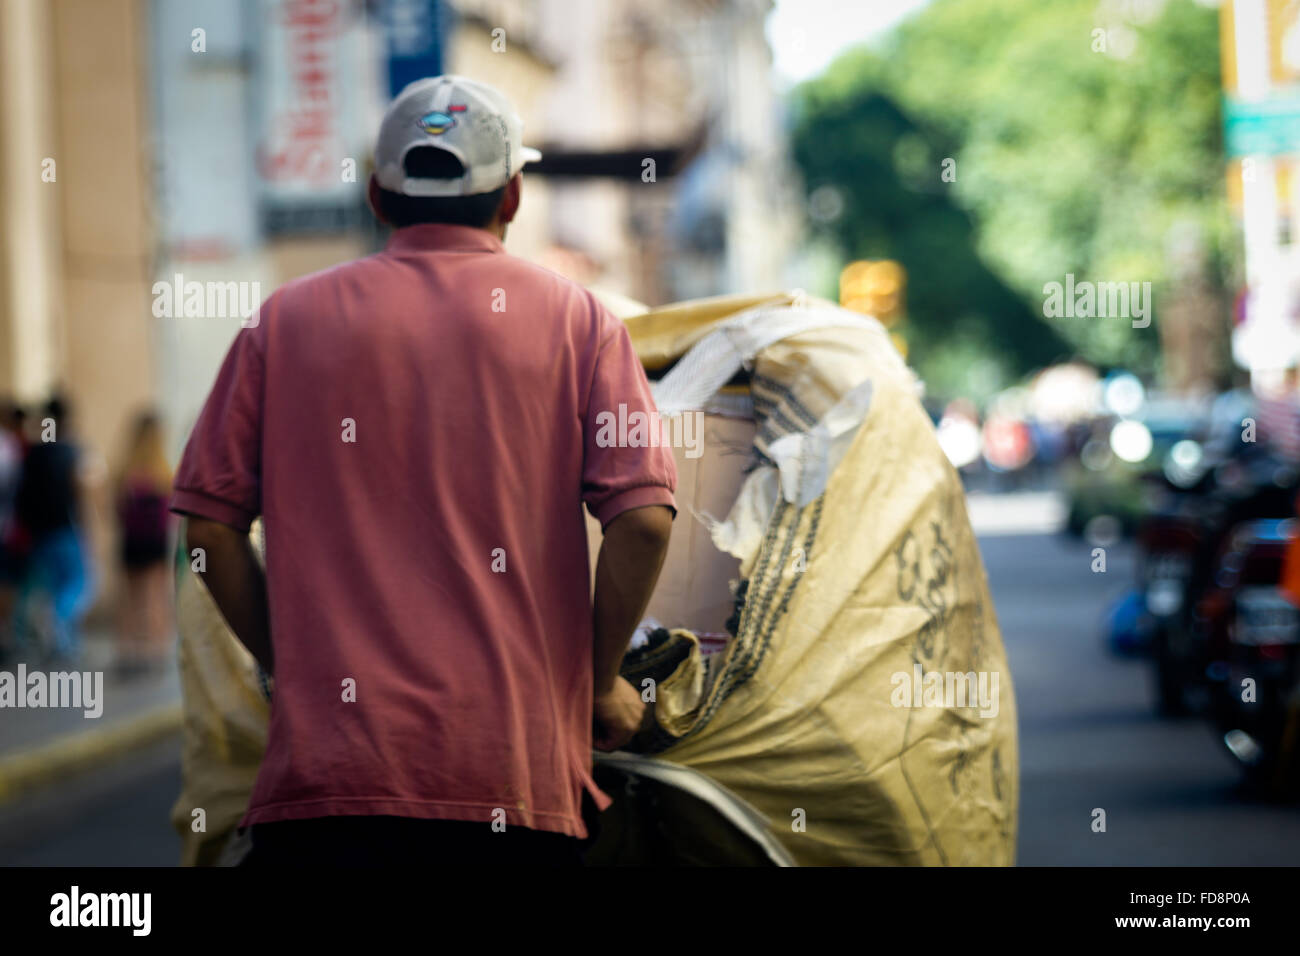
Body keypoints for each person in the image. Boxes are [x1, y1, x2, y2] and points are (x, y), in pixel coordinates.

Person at [172, 75, 676, 867]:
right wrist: (602, 678)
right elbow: (643, 521)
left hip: (327, 791)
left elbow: (209, 529)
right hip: (511, 788)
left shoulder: (281, 323)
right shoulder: (581, 323)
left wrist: (293, 666)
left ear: (378, 196)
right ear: (511, 196)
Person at [12, 395, 93, 664]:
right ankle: (56, 622)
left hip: (39, 532)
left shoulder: (34, 453)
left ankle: (57, 635)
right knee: (76, 583)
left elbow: (21, 494)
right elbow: (80, 490)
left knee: (49, 585)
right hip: (64, 528)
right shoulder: (69, 450)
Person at [115, 410, 176, 673]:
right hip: (156, 542)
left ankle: (129, 651)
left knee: (130, 597)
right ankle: (157, 650)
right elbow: (173, 514)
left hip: (132, 541)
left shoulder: (126, 470)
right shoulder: (164, 471)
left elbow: (118, 509)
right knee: (156, 596)